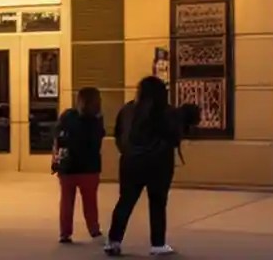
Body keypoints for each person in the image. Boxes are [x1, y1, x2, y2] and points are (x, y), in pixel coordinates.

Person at [104, 76, 183, 257]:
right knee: (157, 203)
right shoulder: (167, 111)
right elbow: (174, 137)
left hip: (130, 162)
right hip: (159, 164)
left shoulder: (127, 110)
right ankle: (157, 244)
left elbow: (118, 134)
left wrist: (127, 151)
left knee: (125, 202)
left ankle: (113, 241)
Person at [56, 87, 105, 244]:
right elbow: (96, 142)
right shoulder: (95, 120)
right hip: (89, 167)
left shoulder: (67, 115)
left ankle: (65, 233)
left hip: (68, 166)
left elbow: (58, 138)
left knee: (66, 200)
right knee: (90, 201)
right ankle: (94, 229)